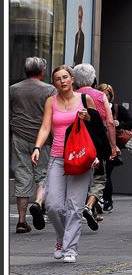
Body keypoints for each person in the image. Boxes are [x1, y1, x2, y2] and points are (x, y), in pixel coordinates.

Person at [30, 65, 101, 263]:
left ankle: (70, 249)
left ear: (72, 79)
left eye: (65, 77)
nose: (62, 81)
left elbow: (98, 126)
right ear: (54, 83)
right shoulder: (51, 101)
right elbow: (45, 127)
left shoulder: (85, 99)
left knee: (74, 207)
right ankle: (61, 238)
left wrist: (88, 117)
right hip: (57, 157)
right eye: (58, 79)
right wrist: (37, 147)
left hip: (79, 157)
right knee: (52, 205)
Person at [10, 57, 57, 234]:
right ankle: (37, 203)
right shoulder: (49, 90)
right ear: (42, 71)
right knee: (43, 174)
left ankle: (21, 221)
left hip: (19, 136)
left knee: (22, 175)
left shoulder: (13, 89)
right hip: (42, 139)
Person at [72, 63, 119, 230]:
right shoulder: (100, 96)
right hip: (97, 142)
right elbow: (110, 122)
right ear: (93, 78)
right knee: (99, 178)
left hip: (78, 142)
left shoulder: (72, 96)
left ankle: (89, 208)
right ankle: (90, 205)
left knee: (80, 176)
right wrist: (113, 146)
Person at [97, 83, 132, 212]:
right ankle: (99, 199)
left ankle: (107, 200)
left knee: (107, 173)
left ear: (110, 96)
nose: (104, 97)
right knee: (99, 173)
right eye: (102, 94)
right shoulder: (94, 107)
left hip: (112, 145)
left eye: (107, 95)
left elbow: (131, 122)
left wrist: (119, 125)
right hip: (98, 143)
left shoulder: (117, 108)